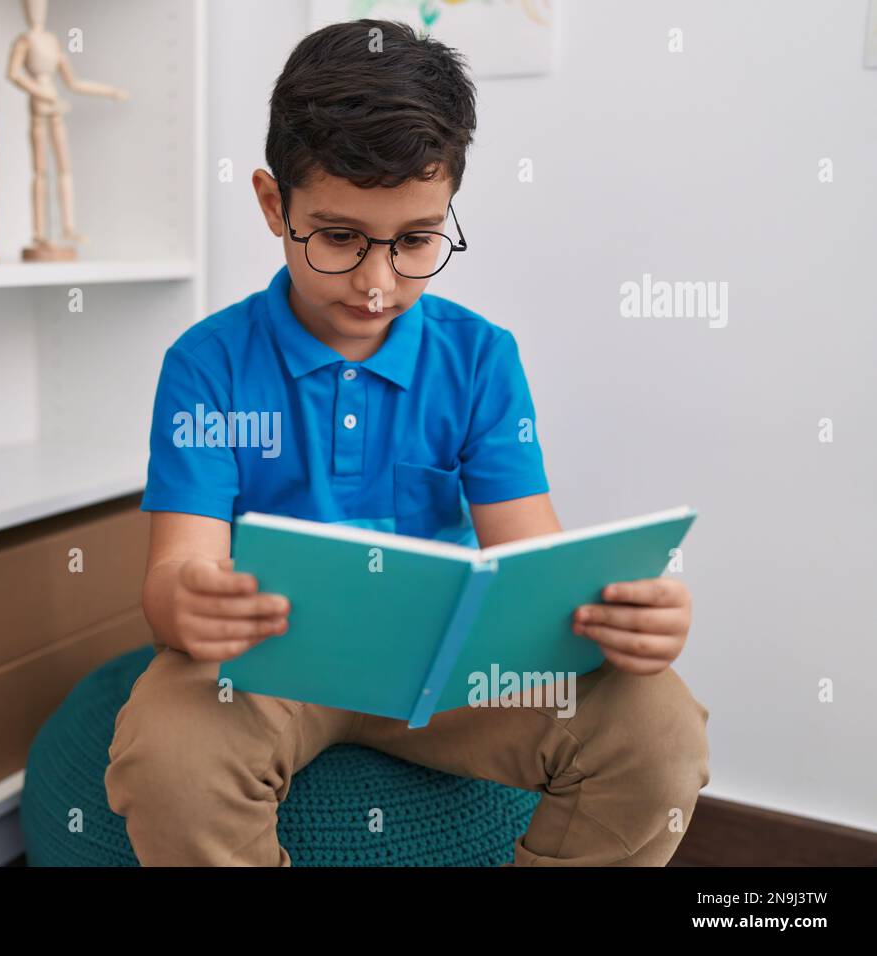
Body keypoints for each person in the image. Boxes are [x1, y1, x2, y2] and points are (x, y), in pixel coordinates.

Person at [105, 18, 710, 866]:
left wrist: (616, 621)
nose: (378, 282)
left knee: (659, 727)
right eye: (341, 237)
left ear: (448, 214)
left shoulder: (481, 357)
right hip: (270, 668)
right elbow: (171, 578)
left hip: (454, 675)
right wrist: (191, 606)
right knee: (170, 755)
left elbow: (531, 567)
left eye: (417, 240)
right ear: (274, 204)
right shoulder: (207, 363)